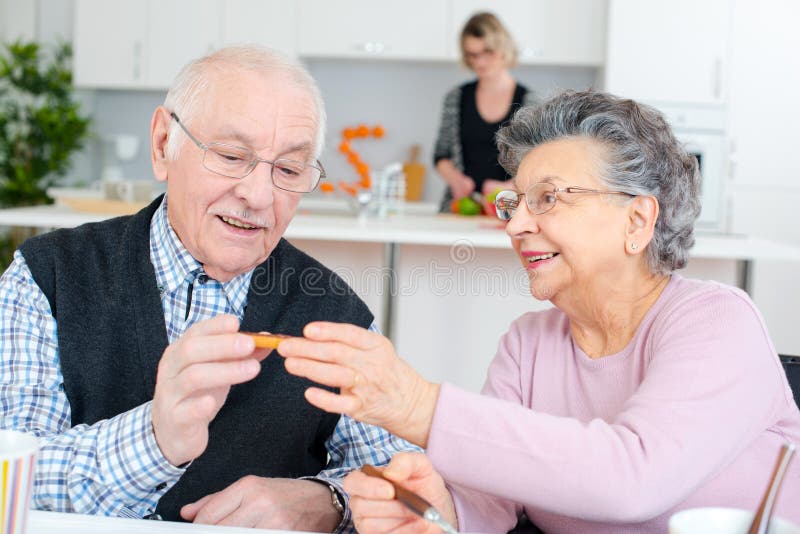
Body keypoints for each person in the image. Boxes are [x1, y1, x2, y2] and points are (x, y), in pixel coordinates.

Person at [277, 90, 800, 533]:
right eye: (515, 201)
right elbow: (490, 501)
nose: (515, 225)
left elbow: (633, 477)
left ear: (637, 220)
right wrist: (434, 508)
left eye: (548, 198)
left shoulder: (716, 322)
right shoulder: (529, 343)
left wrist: (421, 408)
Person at [0, 46, 418, 533]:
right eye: (231, 156)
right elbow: (11, 476)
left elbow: (405, 487)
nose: (259, 196)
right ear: (162, 145)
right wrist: (155, 439)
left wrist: (330, 502)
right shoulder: (46, 277)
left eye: (287, 170)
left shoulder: (338, 316)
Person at [433, 12, 537, 212]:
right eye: (472, 54)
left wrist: (508, 187)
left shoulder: (529, 101)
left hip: (508, 209)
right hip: (460, 208)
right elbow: (441, 154)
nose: (480, 62)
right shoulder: (455, 97)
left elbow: (538, 162)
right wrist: (456, 181)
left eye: (487, 52)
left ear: (503, 48)